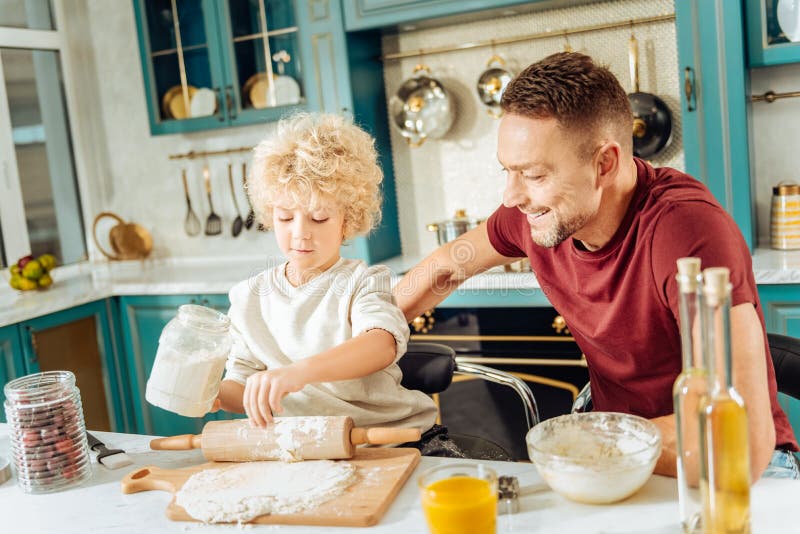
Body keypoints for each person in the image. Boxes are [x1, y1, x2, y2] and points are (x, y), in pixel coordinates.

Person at [393, 52, 799, 480]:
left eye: (533, 175)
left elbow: (743, 437)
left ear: (604, 163)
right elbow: (445, 267)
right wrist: (361, 337)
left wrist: (585, 441)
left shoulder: (685, 232)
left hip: (732, 465)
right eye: (507, 171)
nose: (512, 196)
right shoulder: (538, 214)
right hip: (616, 449)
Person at [214, 113, 440, 447]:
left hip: (392, 439)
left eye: (319, 217)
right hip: (310, 446)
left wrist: (300, 372)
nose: (300, 233)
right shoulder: (249, 297)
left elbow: (381, 344)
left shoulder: (364, 281)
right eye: (286, 217)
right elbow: (243, 387)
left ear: (347, 221)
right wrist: (209, 395)